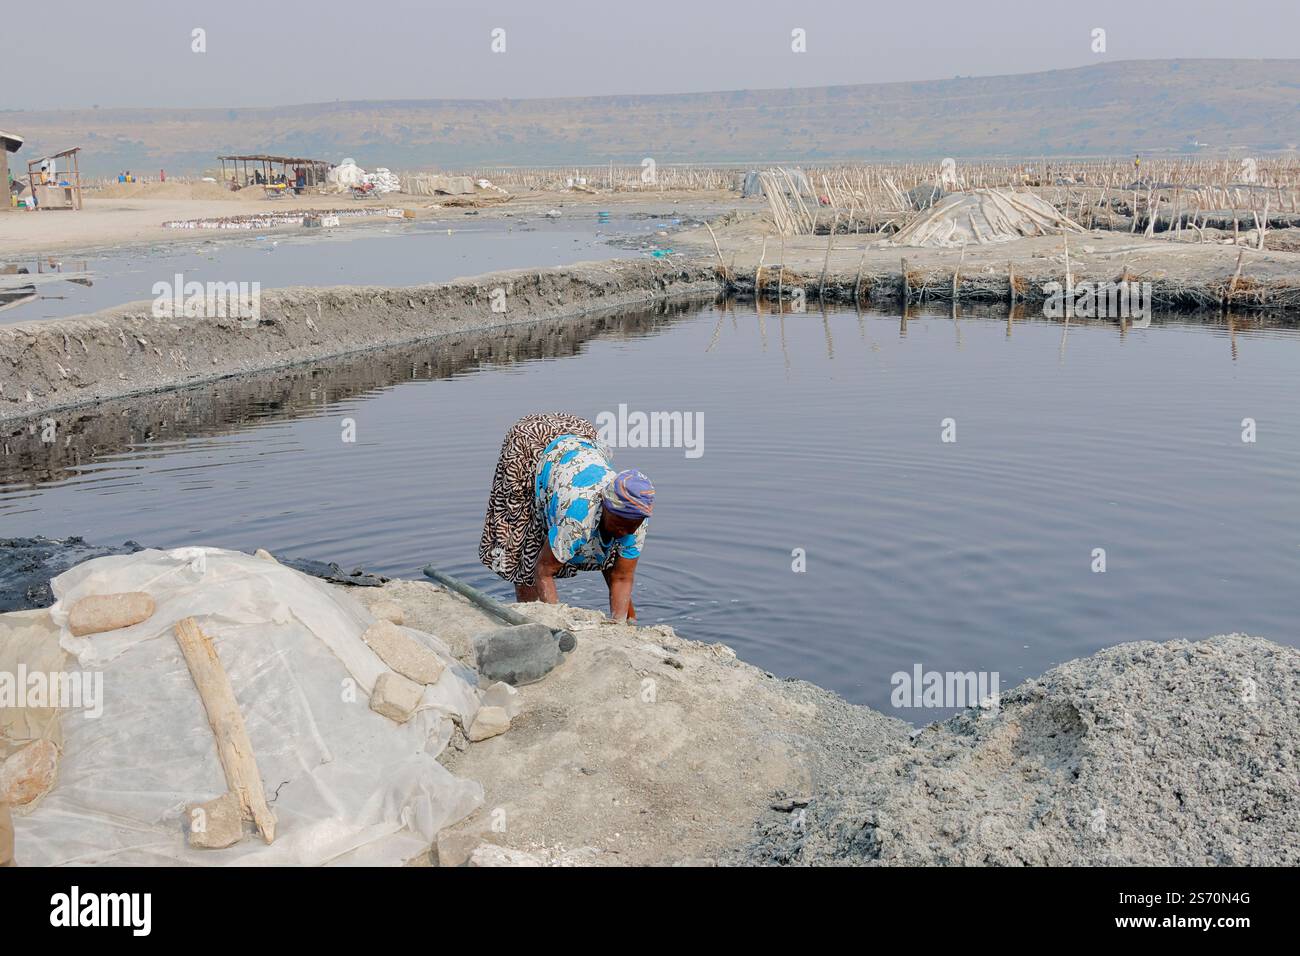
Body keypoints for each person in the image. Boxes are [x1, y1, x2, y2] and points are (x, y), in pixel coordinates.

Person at [480, 413, 653, 624]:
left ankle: (630, 621)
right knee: (526, 550)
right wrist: (557, 622)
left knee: (612, 550)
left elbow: (622, 576)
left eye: (631, 527)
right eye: (619, 524)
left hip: (579, 438)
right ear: (604, 507)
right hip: (531, 443)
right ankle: (528, 619)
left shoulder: (637, 516)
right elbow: (543, 571)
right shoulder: (579, 517)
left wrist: (621, 625)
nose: (624, 532)